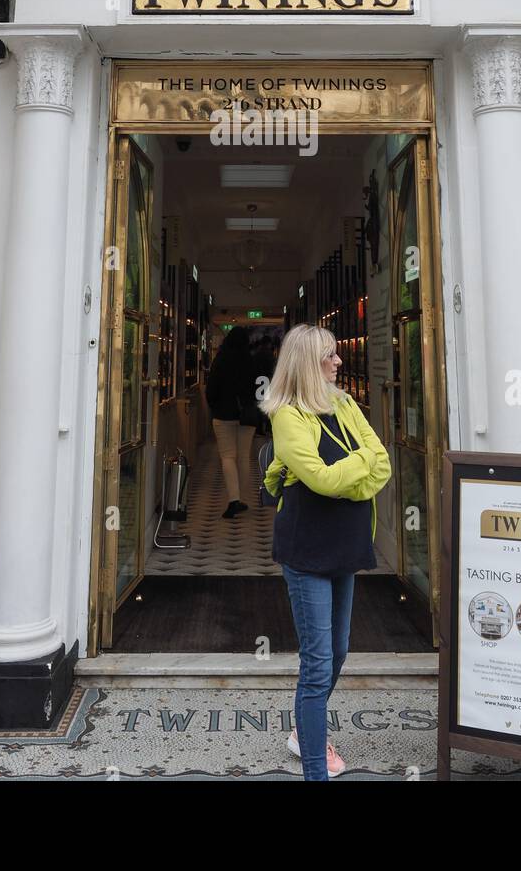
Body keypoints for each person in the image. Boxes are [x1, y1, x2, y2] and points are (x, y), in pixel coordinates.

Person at [262, 324, 392, 780]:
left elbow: (384, 463)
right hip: (307, 546)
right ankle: (315, 768)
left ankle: (303, 732)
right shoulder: (287, 414)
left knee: (338, 653)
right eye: (330, 357)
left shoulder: (345, 402)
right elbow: (320, 477)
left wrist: (351, 470)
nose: (339, 363)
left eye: (336, 355)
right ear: (306, 363)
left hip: (347, 543)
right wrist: (359, 465)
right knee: (317, 663)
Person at [204, 325, 258, 519]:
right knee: (244, 456)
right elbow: (258, 388)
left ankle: (233, 499)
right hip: (247, 416)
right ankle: (241, 498)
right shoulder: (250, 361)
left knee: (228, 457)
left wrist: (214, 405)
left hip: (223, 415)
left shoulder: (221, 359)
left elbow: (211, 389)